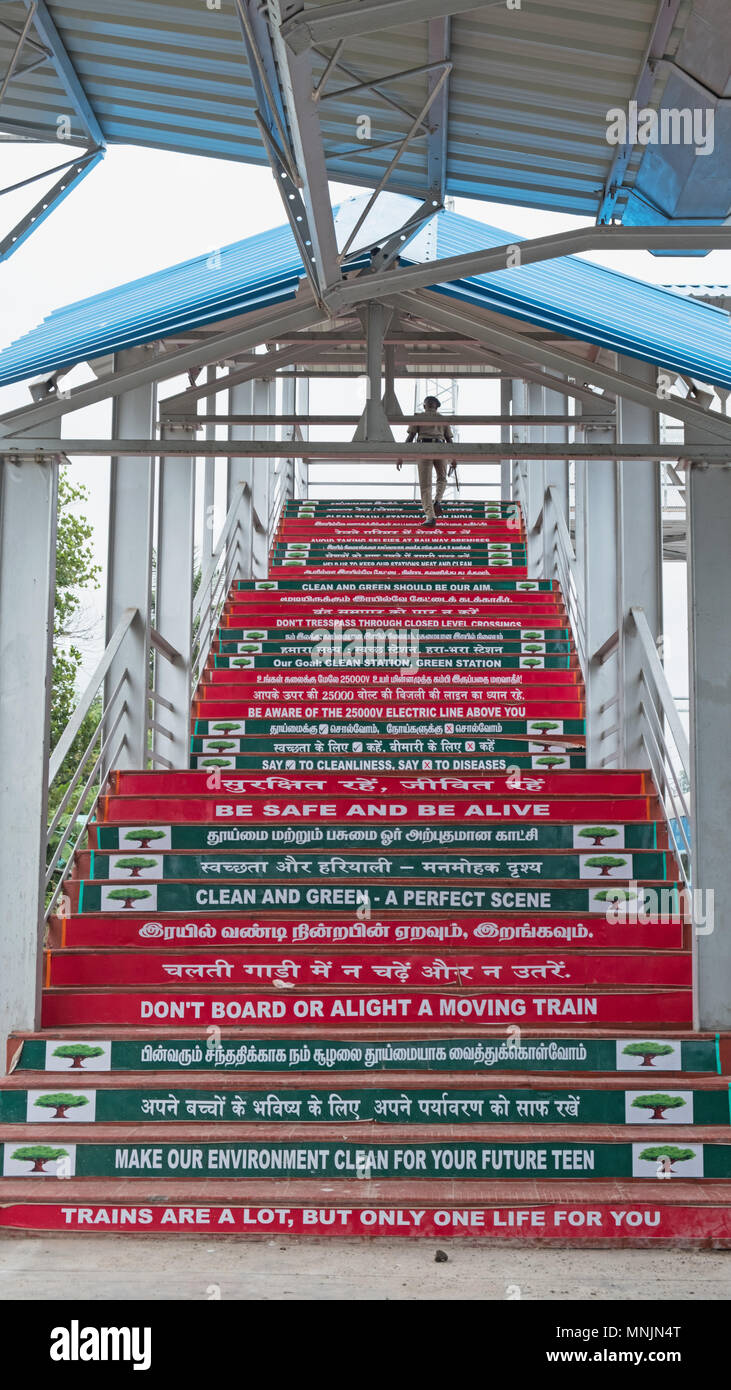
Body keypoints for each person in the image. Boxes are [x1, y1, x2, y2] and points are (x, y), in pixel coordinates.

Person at [396, 396, 457, 527]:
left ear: (424, 406)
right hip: (441, 447)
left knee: (425, 485)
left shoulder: (418, 417)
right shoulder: (443, 419)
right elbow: (449, 440)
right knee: (442, 478)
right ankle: (437, 501)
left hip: (423, 448)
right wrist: (453, 458)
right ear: (437, 406)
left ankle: (430, 516)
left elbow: (411, 437)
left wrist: (401, 455)